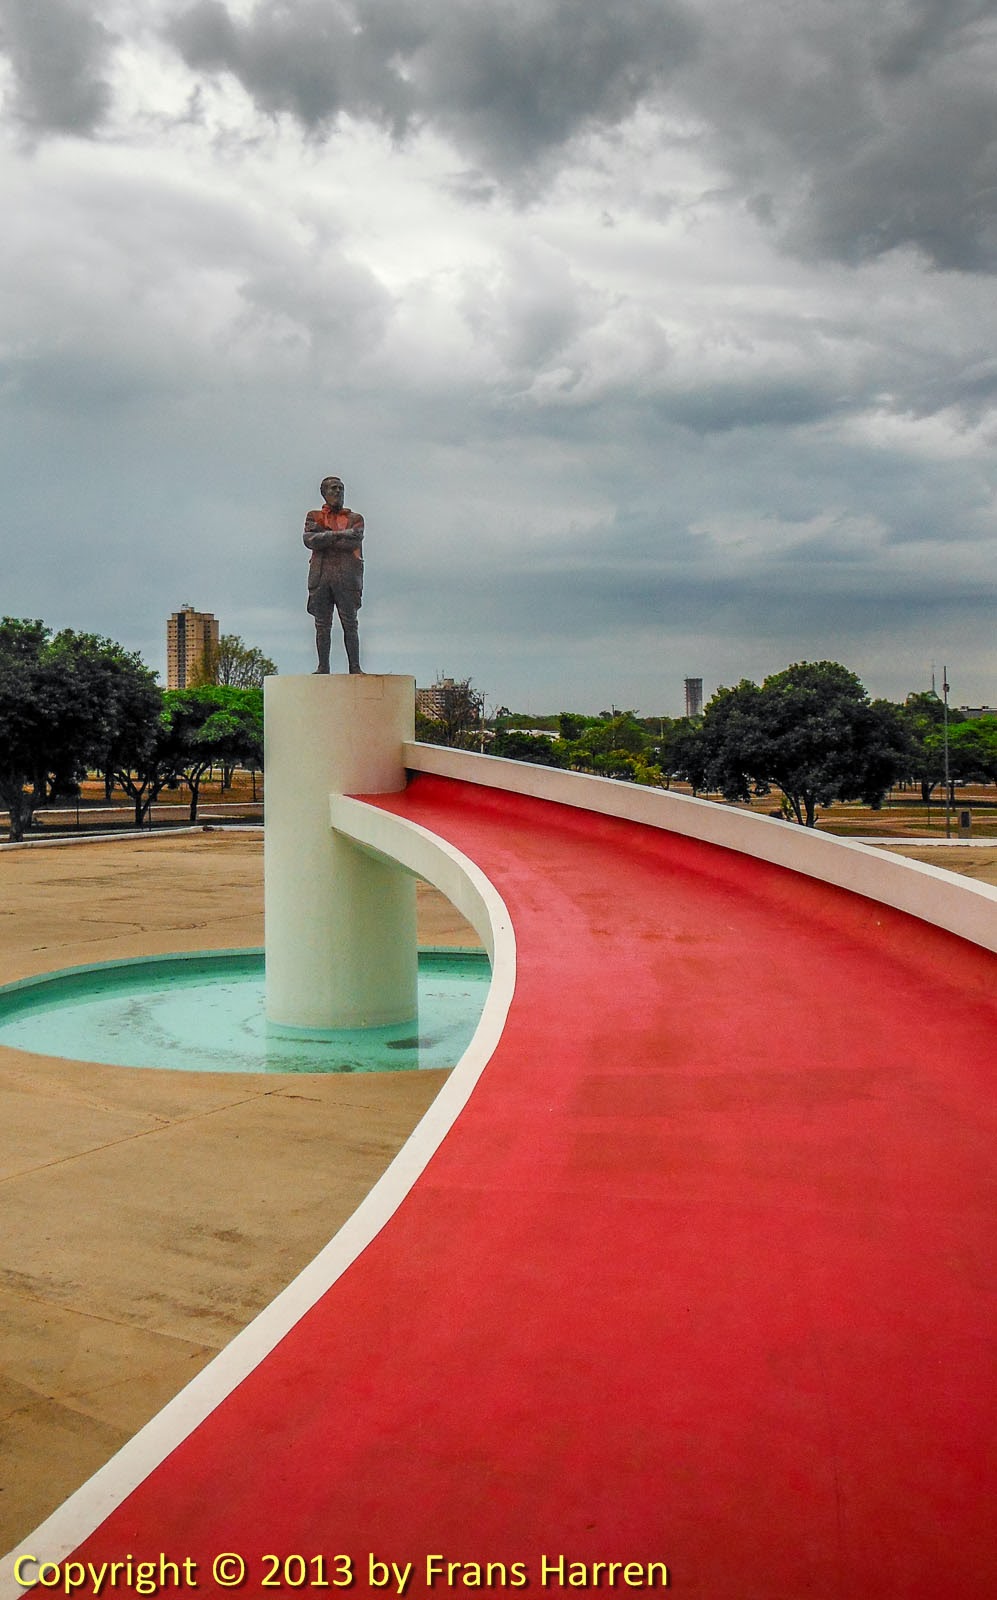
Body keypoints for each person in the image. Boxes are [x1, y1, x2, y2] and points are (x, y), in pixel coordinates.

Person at [303, 475, 364, 674]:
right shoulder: (314, 516)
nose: (337, 492)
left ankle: (355, 667)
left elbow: (352, 542)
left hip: (346, 577)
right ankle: (323, 667)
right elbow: (310, 540)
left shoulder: (355, 518)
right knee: (322, 624)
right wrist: (339, 535)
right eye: (333, 489)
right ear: (324, 493)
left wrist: (324, 535)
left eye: (340, 488)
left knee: (350, 622)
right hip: (321, 576)